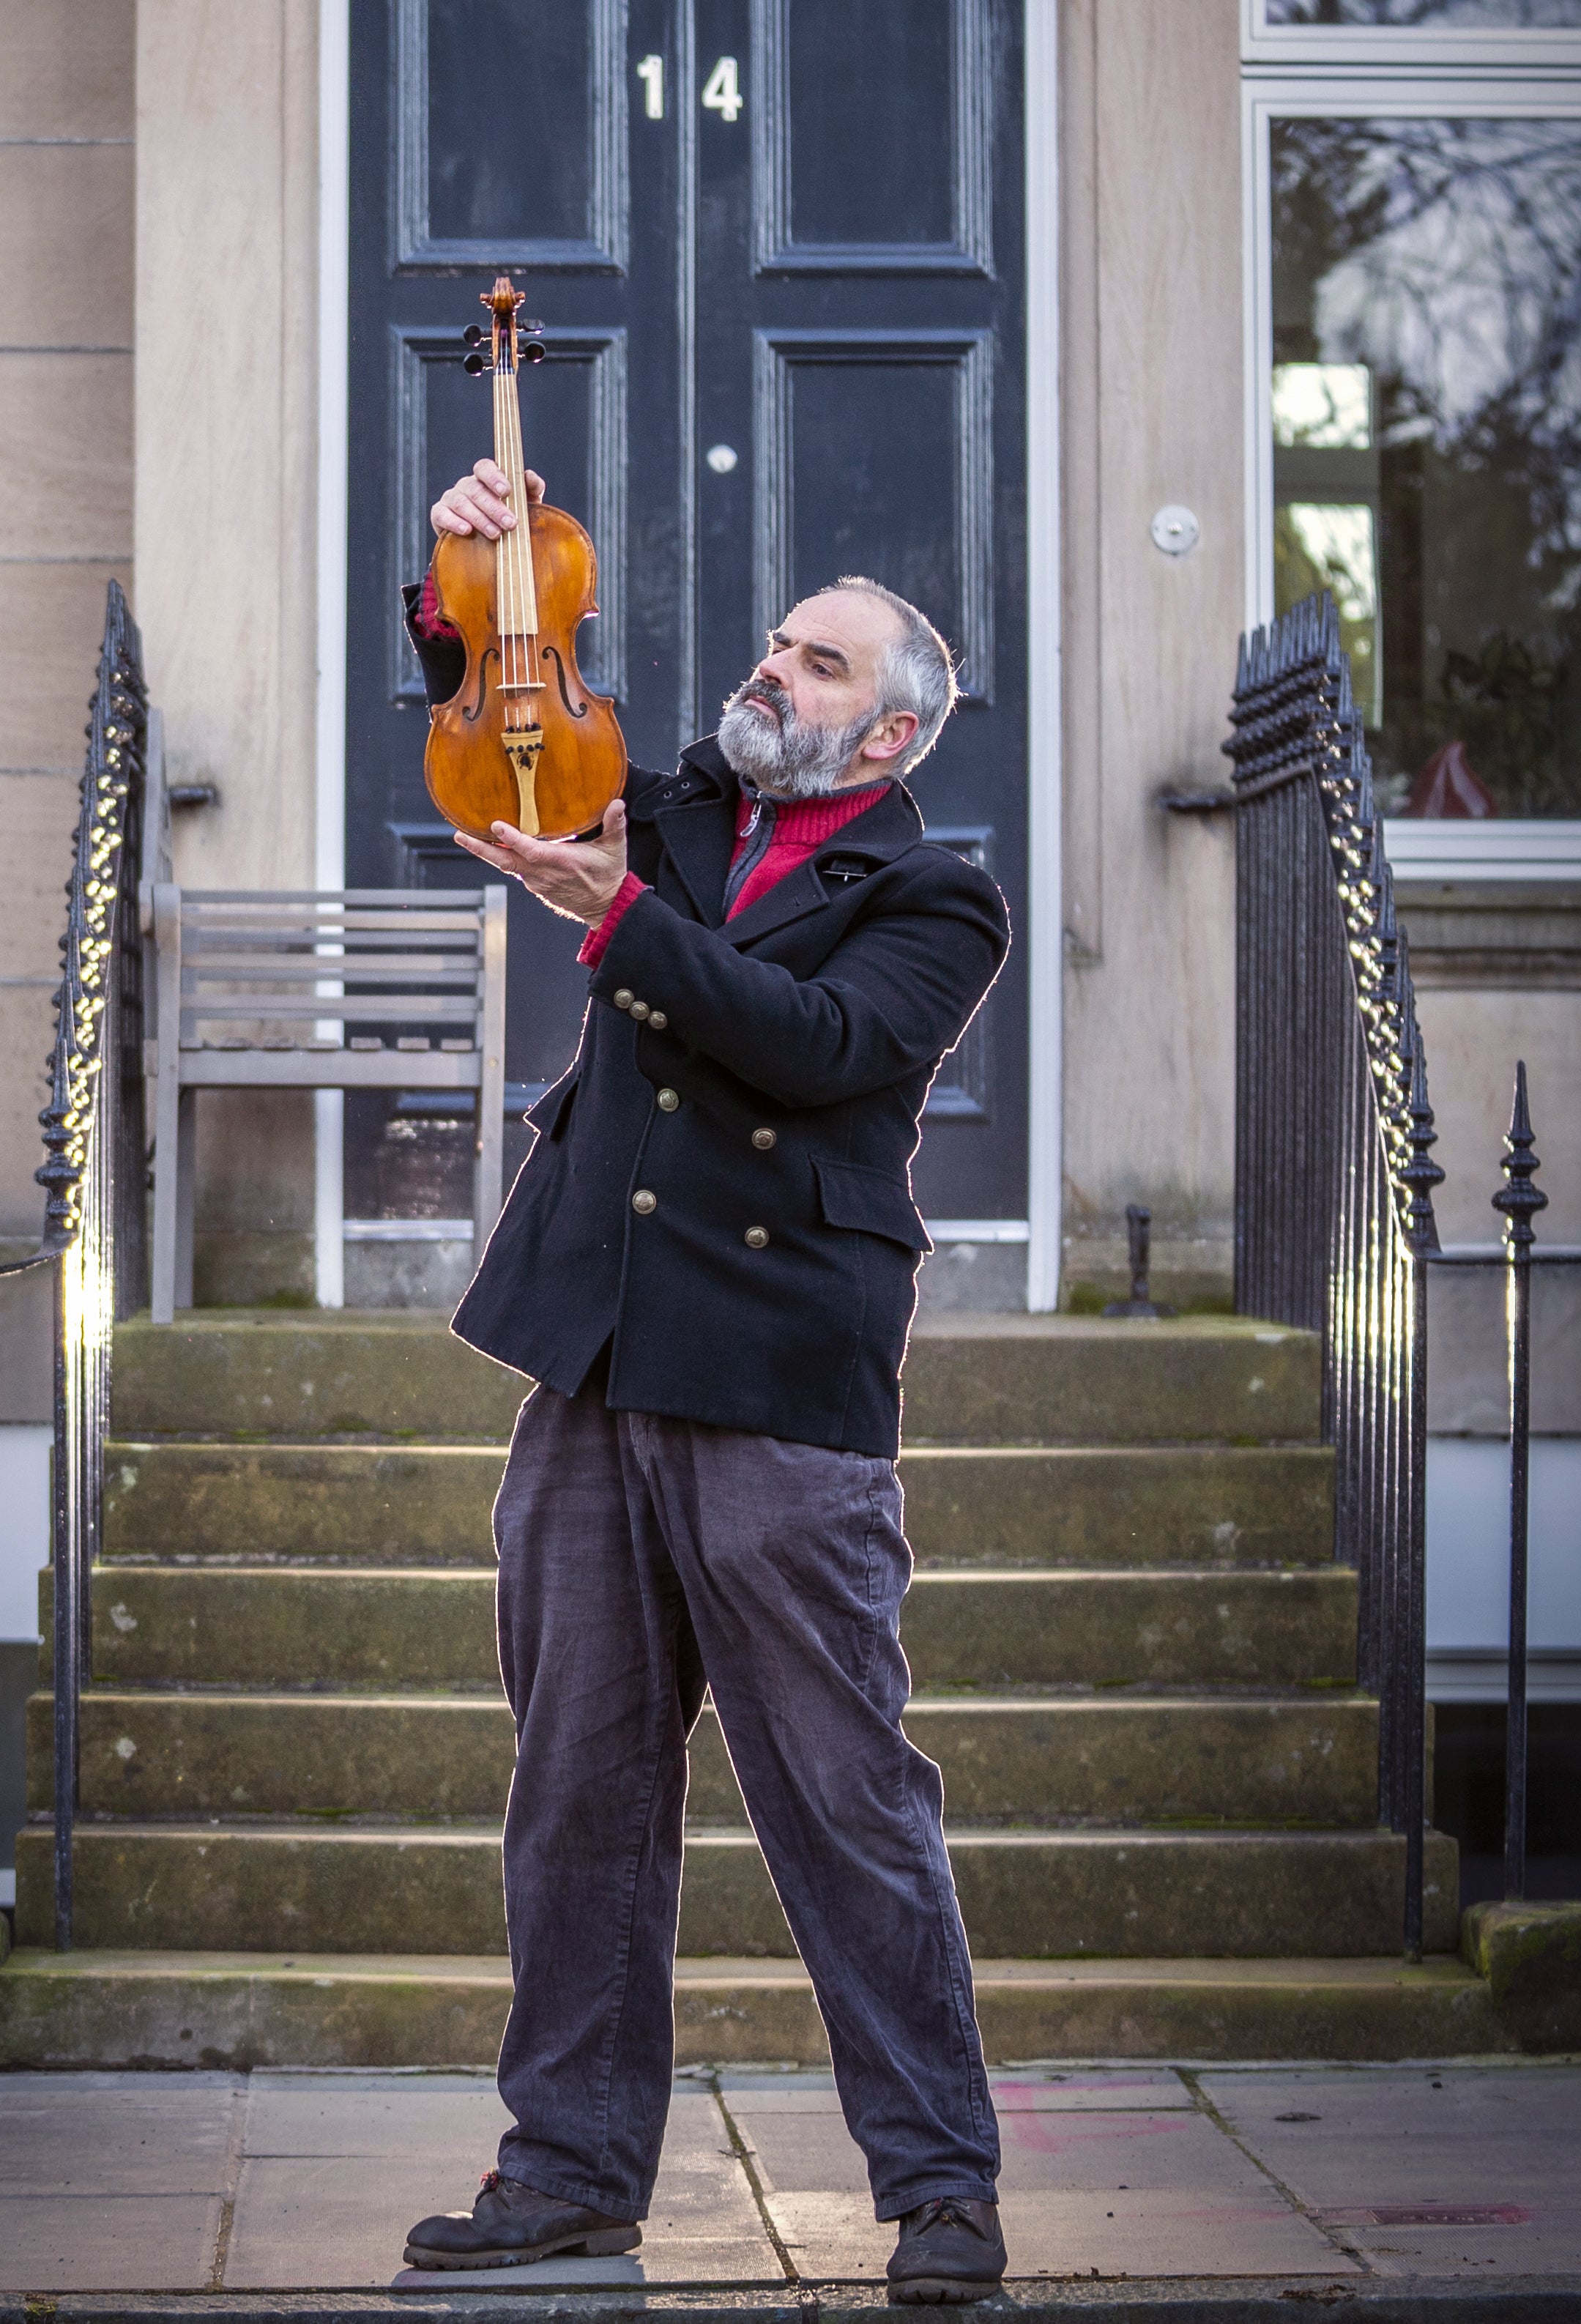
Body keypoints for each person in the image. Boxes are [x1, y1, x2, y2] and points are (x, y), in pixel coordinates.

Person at [398, 456, 1013, 2306]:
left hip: (774, 1380)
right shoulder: (663, 808)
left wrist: (615, 922)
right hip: (592, 1355)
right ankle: (569, 2169)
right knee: (575, 1784)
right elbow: (511, 747)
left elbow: (813, 1045)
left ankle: (940, 2185)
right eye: (772, 642)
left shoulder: (934, 899)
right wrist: (469, 584)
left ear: (889, 730)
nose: (771, 668)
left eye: (814, 662)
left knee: (841, 1792)